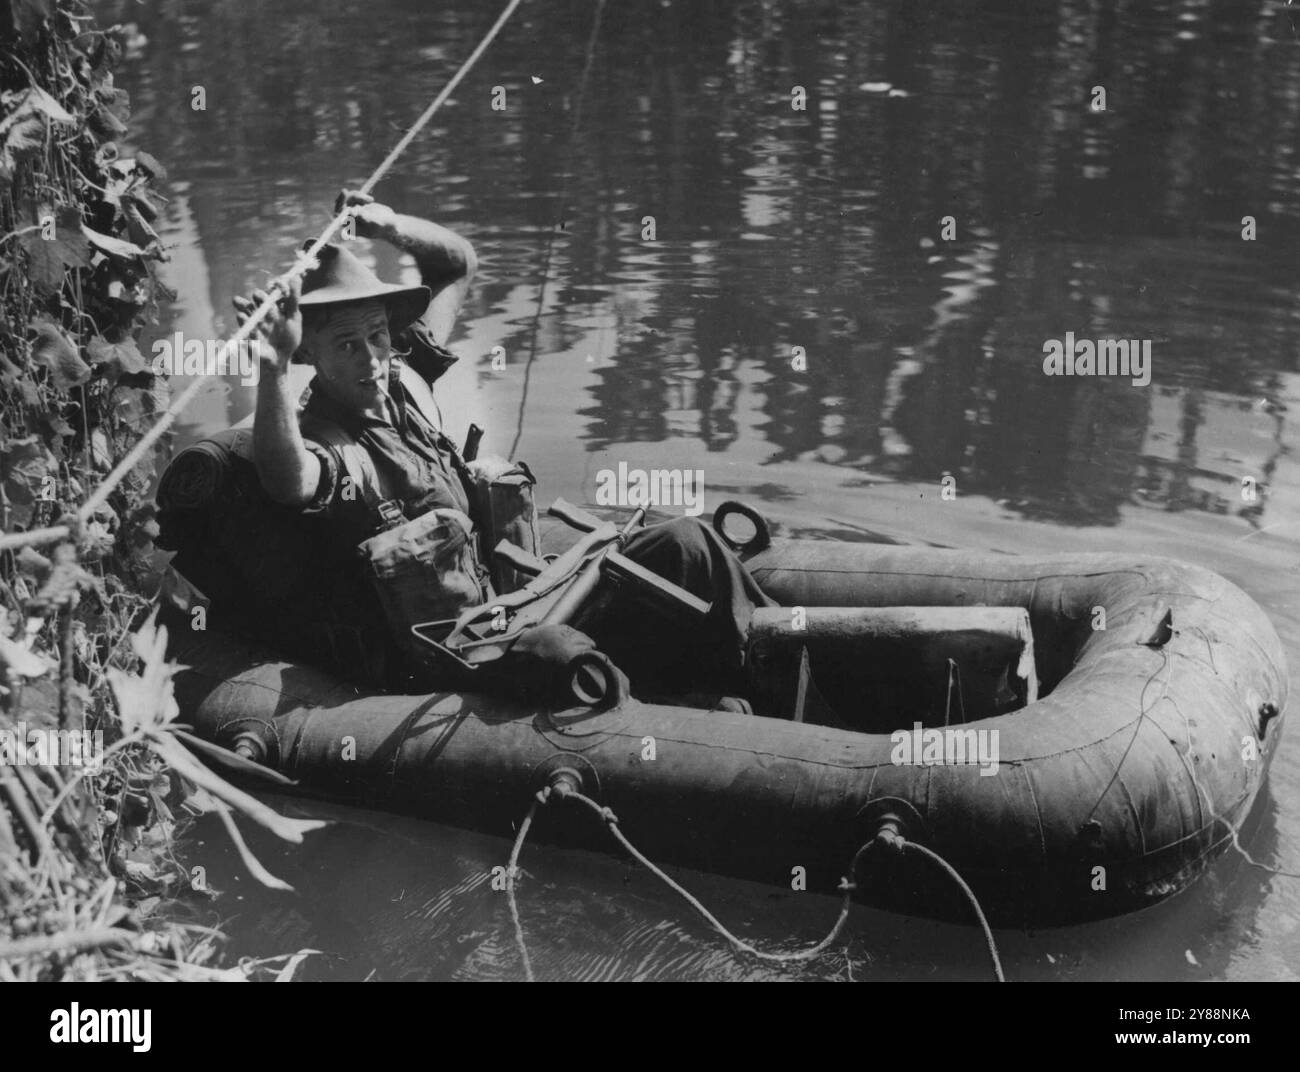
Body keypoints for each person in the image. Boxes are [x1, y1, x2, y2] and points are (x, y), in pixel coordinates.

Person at [232, 190, 776, 701]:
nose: (371, 359)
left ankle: (774, 681)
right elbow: (289, 482)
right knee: (558, 653)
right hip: (460, 659)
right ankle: (681, 723)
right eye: (346, 345)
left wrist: (389, 227)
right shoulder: (327, 443)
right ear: (309, 355)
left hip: (520, 602)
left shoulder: (408, 381)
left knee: (686, 541)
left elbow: (456, 265)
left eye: (376, 335)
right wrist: (272, 364)